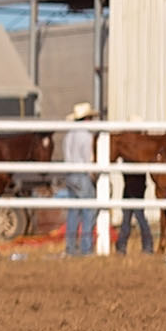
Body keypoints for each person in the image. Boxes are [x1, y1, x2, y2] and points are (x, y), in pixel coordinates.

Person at [60, 102, 99, 256]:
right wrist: (92, 174)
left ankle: (70, 247)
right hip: (82, 174)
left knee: (73, 212)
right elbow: (87, 158)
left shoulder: (69, 135)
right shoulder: (87, 136)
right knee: (89, 210)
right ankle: (86, 247)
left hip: (69, 173)